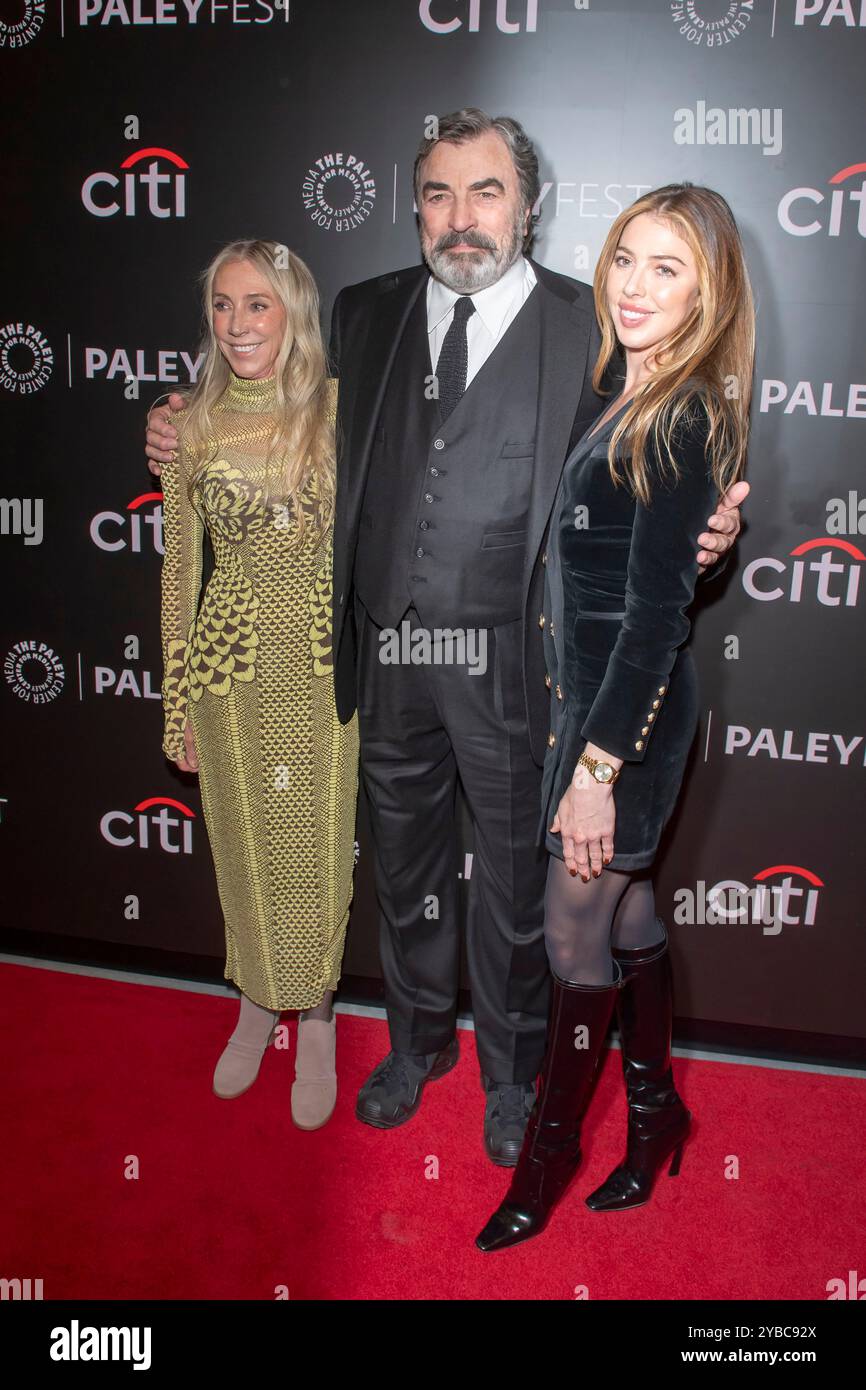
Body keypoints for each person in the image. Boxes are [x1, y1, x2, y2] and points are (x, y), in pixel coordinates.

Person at [148, 112, 746, 1165]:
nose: (459, 218)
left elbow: (642, 480)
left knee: (519, 891)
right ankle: (415, 1042)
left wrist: (711, 531)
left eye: (483, 193)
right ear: (414, 205)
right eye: (436, 193)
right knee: (405, 866)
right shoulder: (365, 309)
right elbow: (277, 404)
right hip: (385, 654)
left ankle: (513, 1073)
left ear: (527, 204)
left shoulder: (589, 328)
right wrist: (182, 421)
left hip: (515, 660)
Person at [476, 183, 754, 1251]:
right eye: (625, 258)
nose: (633, 286)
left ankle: (544, 1165)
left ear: (705, 293)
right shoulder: (615, 377)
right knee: (627, 917)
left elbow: (650, 622)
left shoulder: (682, 414)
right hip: (587, 710)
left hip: (621, 721)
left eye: (666, 268)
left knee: (568, 932)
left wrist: (595, 770)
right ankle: (655, 1117)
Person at [159, 238, 358, 1129]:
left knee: (316, 853)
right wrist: (176, 709)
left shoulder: (338, 410)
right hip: (228, 669)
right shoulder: (189, 424)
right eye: (223, 305)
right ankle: (251, 1000)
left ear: (293, 313)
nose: (239, 324)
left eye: (258, 304)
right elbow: (177, 579)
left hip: (320, 665)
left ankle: (314, 1016)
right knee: (240, 851)